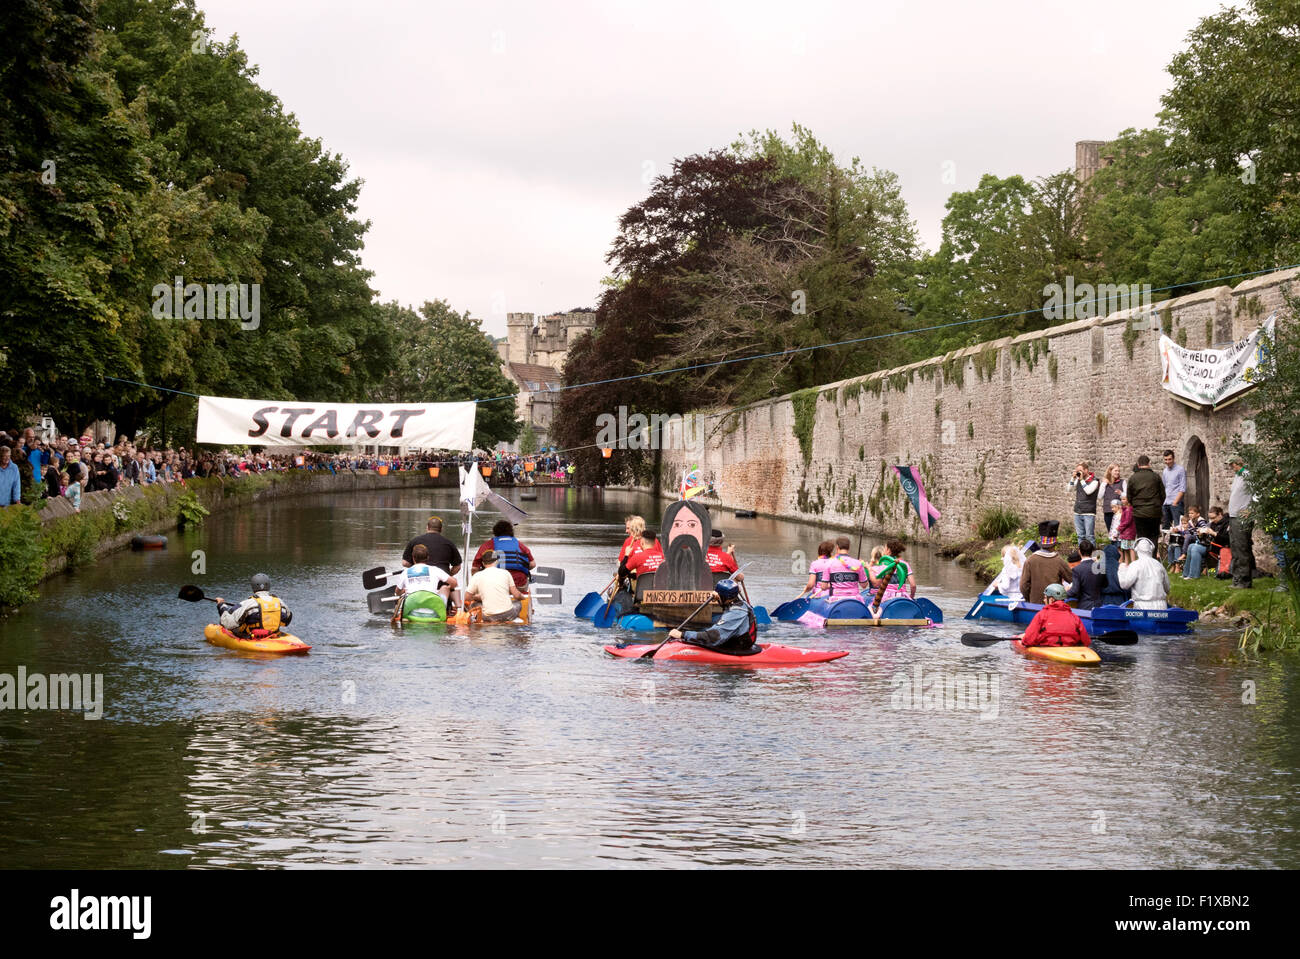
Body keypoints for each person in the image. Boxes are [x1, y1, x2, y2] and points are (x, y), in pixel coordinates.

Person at [667, 579, 758, 654]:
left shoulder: (736, 613)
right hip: (735, 641)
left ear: (724, 597)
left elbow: (713, 637)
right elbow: (727, 606)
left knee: (697, 637)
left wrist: (682, 635)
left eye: (719, 596)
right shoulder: (740, 603)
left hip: (738, 647)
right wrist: (720, 598)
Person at [215, 573, 293, 638]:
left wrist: (222, 606)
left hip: (253, 637)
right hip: (274, 635)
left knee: (232, 625)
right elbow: (287, 621)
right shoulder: (280, 602)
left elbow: (227, 623)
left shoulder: (247, 603)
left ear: (253, 587)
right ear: (268, 585)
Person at [392, 543, 457, 617]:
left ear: (413, 558)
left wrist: (404, 590)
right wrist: (448, 588)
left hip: (411, 613)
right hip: (434, 613)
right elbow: (454, 583)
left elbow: (397, 592)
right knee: (444, 588)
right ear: (428, 557)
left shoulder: (405, 572)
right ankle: (452, 609)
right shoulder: (435, 570)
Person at [1019, 583, 1090, 648]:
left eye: (1045, 597)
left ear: (1051, 599)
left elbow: (1028, 641)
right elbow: (1086, 642)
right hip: (1069, 650)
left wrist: (1023, 639)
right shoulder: (1074, 617)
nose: (1044, 600)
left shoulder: (1041, 615)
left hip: (1046, 652)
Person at [465, 550, 527, 623]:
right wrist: (522, 597)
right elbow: (516, 595)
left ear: (483, 563)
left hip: (488, 616)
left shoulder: (477, 576)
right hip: (508, 614)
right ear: (496, 561)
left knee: (474, 605)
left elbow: (467, 597)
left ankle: (482, 620)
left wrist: (477, 597)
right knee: (517, 603)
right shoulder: (506, 573)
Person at [472, 520, 536, 590]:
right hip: (518, 584)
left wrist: (475, 584)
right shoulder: (520, 545)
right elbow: (533, 564)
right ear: (511, 532)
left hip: (495, 585)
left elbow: (475, 568)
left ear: (495, 532)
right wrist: (519, 567)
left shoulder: (487, 545)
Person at [1020, 521, 1073, 605]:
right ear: (1054, 545)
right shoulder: (1058, 561)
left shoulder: (1030, 560)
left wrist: (1029, 599)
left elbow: (1023, 586)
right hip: (1055, 605)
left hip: (1035, 605)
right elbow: (1072, 579)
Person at [1227, 456, 1256, 589]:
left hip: (1242, 518)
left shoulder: (1247, 475)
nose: (1230, 467)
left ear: (1239, 463)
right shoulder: (1237, 477)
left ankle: (1244, 581)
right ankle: (1237, 579)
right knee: (1235, 548)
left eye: (1232, 464)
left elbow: (1257, 494)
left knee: (1242, 548)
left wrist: (1250, 510)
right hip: (1233, 517)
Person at [1117, 538, 1170, 609]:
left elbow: (1124, 584)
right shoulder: (1159, 565)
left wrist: (1122, 570)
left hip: (1142, 606)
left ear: (1136, 550)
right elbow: (1167, 589)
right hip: (1161, 606)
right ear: (1151, 549)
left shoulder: (1135, 565)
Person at [1126, 455, 1165, 545]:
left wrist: (1136, 506)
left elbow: (1129, 497)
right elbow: (1163, 495)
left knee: (1142, 537)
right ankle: (1153, 557)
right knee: (1154, 537)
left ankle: (1143, 557)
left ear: (1138, 465)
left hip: (1139, 513)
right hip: (1154, 512)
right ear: (1149, 463)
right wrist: (1157, 505)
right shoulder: (1156, 477)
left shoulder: (1133, 478)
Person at [1066, 539, 1103, 610]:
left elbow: (1074, 590)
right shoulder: (1100, 567)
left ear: (1079, 552)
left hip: (1084, 606)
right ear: (1092, 552)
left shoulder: (1077, 569)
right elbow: (1105, 584)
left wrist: (1063, 594)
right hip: (1099, 605)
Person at [1179, 506, 1215, 580]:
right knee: (1191, 546)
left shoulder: (1201, 521)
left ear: (1198, 514)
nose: (1190, 515)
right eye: (1189, 513)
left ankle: (1193, 575)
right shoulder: (1191, 521)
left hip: (1207, 544)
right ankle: (1186, 574)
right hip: (1199, 541)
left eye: (1192, 513)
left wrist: (1201, 532)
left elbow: (1205, 531)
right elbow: (1189, 531)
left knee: (1194, 548)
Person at [1068, 461, 1100, 542]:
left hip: (1088, 512)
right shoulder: (1078, 480)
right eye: (1077, 471)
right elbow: (1069, 489)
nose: (1079, 472)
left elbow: (1088, 491)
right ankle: (1081, 554)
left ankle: (1091, 554)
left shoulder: (1095, 481)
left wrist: (1082, 480)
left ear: (1086, 470)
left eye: (1080, 470)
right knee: (1080, 536)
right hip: (1077, 511)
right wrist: (1073, 478)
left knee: (1089, 536)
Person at [1096, 539, 1131, 606]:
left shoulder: (1098, 567)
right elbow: (1128, 586)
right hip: (1120, 601)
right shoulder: (1121, 567)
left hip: (1102, 600)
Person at [1162, 449, 1187, 533]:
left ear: (1173, 459)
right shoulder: (1165, 471)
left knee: (1178, 527)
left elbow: (1182, 488)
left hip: (1176, 503)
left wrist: (1175, 502)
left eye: (1169, 459)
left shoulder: (1180, 470)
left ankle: (1178, 546)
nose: (1167, 461)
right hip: (1166, 503)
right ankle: (1165, 546)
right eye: (1166, 459)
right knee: (1165, 528)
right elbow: (1165, 487)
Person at [1114, 494, 1137, 563]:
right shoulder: (1125, 509)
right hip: (1124, 533)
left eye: (1124, 499)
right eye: (1121, 499)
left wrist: (1119, 528)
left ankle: (1133, 564)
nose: (1122, 501)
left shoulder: (1129, 510)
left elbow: (1127, 521)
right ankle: (1127, 564)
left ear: (1128, 500)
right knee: (1125, 549)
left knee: (1131, 549)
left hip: (1129, 533)